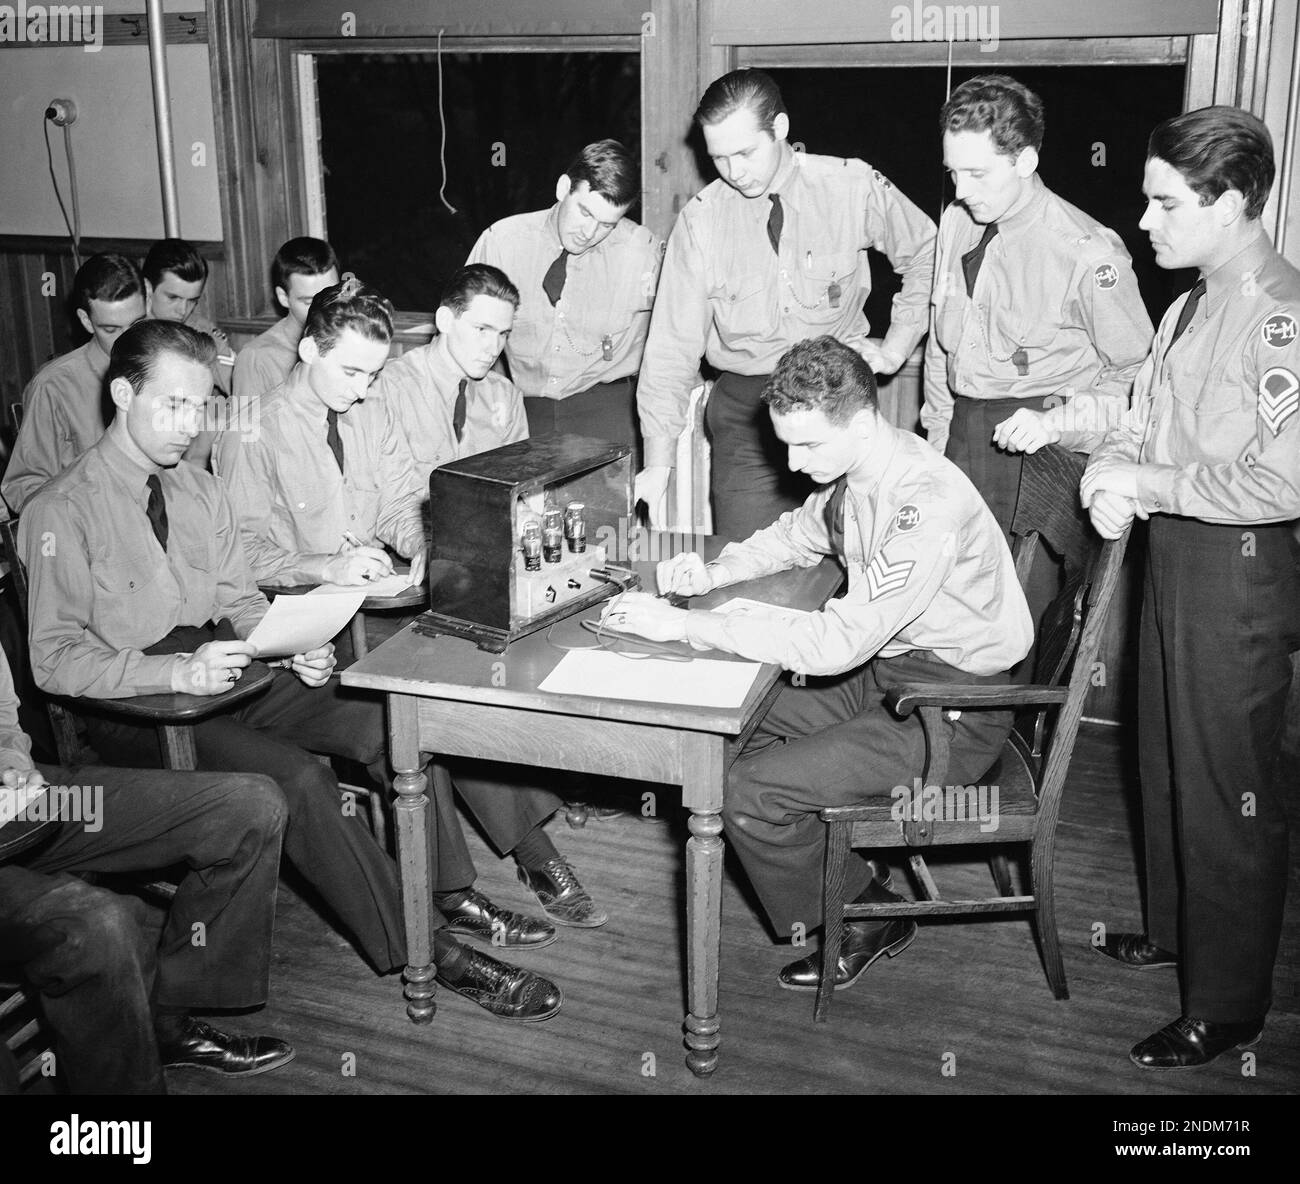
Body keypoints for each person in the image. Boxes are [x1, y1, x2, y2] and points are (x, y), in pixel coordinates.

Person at [18, 319, 563, 1022]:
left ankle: (443, 892)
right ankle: (432, 953)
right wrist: (175, 673)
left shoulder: (195, 489)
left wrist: (285, 640)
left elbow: (239, 599)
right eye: (173, 405)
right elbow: (54, 662)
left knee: (392, 724)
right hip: (141, 712)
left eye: (201, 406)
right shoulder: (59, 508)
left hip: (234, 671)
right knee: (299, 781)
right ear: (123, 393)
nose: (191, 425)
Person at [608, 336, 1031, 989]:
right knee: (732, 713)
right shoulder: (858, 472)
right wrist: (715, 568)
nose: (793, 463)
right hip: (888, 679)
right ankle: (836, 876)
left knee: (747, 790)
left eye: (807, 446)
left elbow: (837, 644)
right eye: (784, 444)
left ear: (860, 423)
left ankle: (867, 912)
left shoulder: (924, 504)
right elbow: (797, 534)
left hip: (949, 711)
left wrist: (694, 624)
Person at [265, 278, 609, 922]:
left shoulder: (369, 404)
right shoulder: (286, 420)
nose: (365, 385)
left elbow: (400, 500)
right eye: (482, 329)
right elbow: (244, 560)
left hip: (399, 588)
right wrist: (333, 564)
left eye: (505, 333)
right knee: (441, 693)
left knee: (474, 673)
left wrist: (429, 545)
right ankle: (463, 882)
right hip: (319, 620)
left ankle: (530, 844)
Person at [1081, 106, 1300, 1070]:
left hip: (1240, 572)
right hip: (1173, 556)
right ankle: (1177, 932)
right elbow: (1146, 418)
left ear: (1235, 204)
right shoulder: (1185, 304)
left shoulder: (1281, 317)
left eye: (1167, 203)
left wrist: (1148, 483)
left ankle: (1230, 1003)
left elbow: (1283, 479)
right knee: (1163, 760)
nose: (1146, 220)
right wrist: (1111, 469)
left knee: (1227, 789)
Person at [636, 68, 936, 540]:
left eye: (745, 153)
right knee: (749, 572)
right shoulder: (701, 222)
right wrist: (657, 464)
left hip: (837, 400)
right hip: (748, 416)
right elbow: (671, 350)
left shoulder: (850, 186)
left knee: (852, 557)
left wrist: (897, 346)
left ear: (780, 128)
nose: (734, 173)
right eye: (719, 159)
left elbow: (926, 252)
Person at [1, 645, 293, 1091]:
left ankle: (169, 1024)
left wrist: (14, 766)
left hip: (27, 805)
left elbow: (2, 715)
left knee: (248, 805)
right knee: (98, 925)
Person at [922, 75, 1153, 554]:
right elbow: (942, 350)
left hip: (1039, 450)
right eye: (953, 172)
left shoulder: (1088, 254)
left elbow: (1137, 379)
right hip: (961, 436)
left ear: (1025, 160)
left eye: (978, 173)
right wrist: (937, 443)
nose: (961, 190)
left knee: (1026, 613)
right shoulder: (958, 222)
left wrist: (1062, 421)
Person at [466, 140, 662, 469]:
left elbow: (676, 340)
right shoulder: (502, 243)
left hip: (608, 411)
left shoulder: (641, 253)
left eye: (607, 225)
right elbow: (463, 335)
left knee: (606, 522)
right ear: (563, 188)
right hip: (523, 412)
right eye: (584, 212)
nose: (589, 232)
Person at [2, 253, 145, 515]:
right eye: (111, 330)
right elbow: (22, 486)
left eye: (137, 324)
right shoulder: (54, 385)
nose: (129, 341)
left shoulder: (160, 365)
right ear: (86, 320)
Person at [373, 264, 528, 497]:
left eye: (503, 333)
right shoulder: (390, 388)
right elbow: (388, 505)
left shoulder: (506, 397)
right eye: (482, 329)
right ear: (445, 320)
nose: (494, 348)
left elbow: (520, 490)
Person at [141, 237, 235, 468]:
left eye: (192, 301)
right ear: (148, 288)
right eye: (173, 297)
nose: (182, 311)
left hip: (189, 468)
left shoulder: (203, 333)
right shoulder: (126, 335)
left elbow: (241, 383)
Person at [232, 236, 340, 406]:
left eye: (332, 296)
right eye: (310, 302)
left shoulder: (351, 342)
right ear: (283, 297)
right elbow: (245, 429)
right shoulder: (257, 359)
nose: (325, 310)